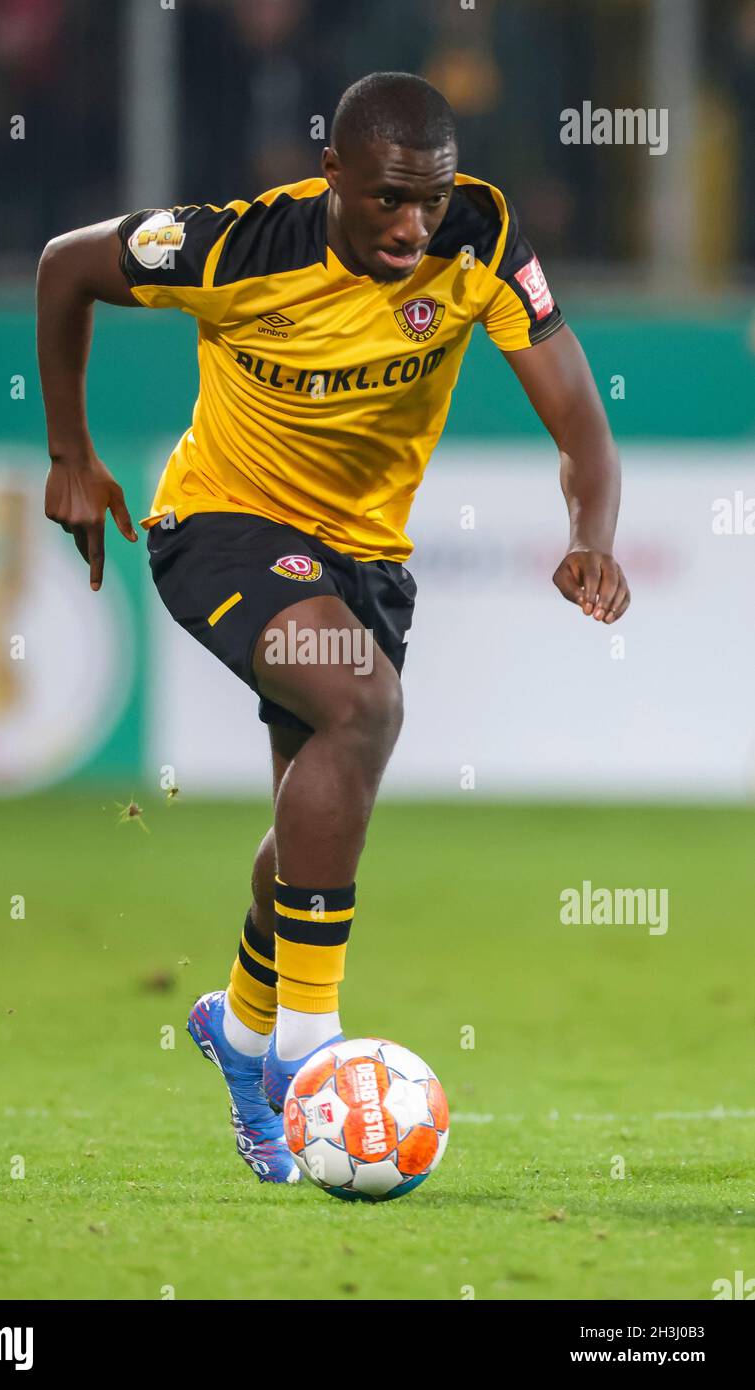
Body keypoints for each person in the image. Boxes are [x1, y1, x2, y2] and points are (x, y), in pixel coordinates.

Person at [38, 71, 630, 1186]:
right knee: (363, 703)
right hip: (221, 524)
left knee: (311, 832)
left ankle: (243, 1023)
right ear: (333, 179)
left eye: (432, 201)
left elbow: (583, 428)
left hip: (367, 563)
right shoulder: (234, 249)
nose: (414, 228)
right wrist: (70, 452)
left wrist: (590, 531)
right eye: (388, 202)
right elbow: (65, 265)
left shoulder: (484, 241)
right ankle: (309, 1048)